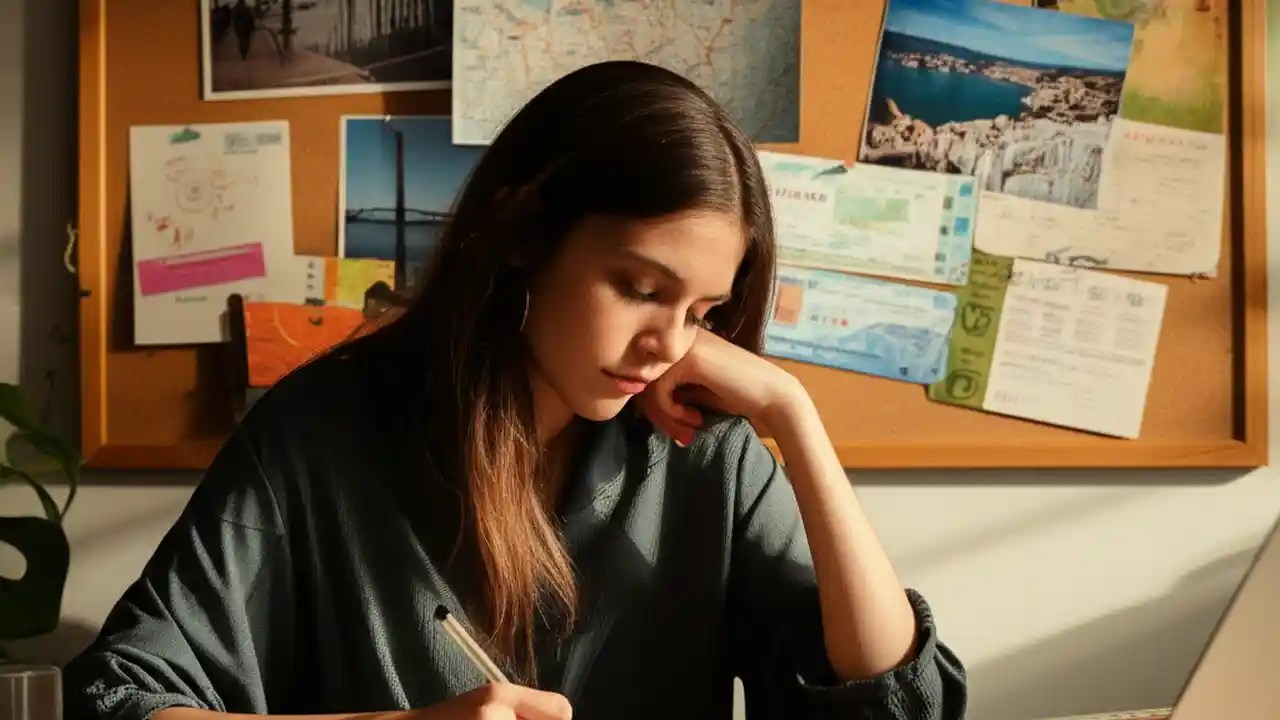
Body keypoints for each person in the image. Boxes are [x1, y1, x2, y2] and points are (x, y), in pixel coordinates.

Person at [62, 61, 967, 720]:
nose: (665, 344)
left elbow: (900, 708)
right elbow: (117, 698)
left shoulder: (705, 455)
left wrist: (795, 420)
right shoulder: (321, 437)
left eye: (701, 310)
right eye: (641, 289)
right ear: (527, 233)